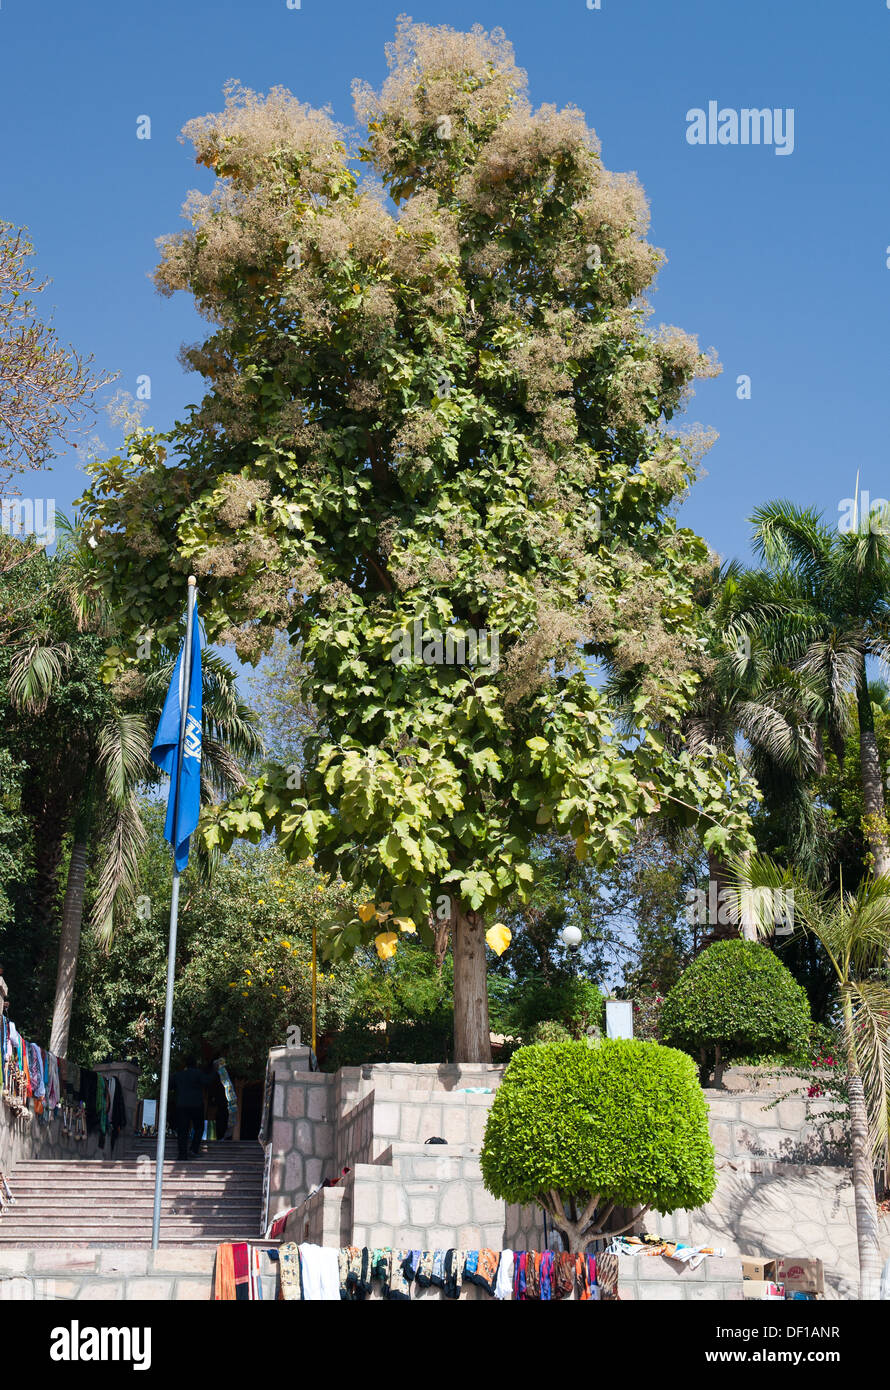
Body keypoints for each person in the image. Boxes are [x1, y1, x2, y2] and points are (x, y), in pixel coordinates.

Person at [171, 1056, 213, 1160]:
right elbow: (207, 1081)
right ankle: (193, 1149)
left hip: (182, 1106)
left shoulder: (178, 1075)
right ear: (195, 1064)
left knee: (182, 1130)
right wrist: (214, 1071)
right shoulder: (198, 1073)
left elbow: (170, 1085)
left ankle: (182, 1155)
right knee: (199, 1127)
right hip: (196, 1105)